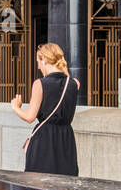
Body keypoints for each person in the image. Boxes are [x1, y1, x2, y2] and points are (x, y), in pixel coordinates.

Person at [11, 43, 79, 177]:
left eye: (38, 62)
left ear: (45, 60)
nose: (38, 66)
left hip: (45, 139)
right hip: (66, 139)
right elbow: (66, 79)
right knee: (66, 183)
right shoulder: (75, 83)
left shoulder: (40, 84)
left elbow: (30, 117)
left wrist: (16, 107)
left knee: (39, 183)